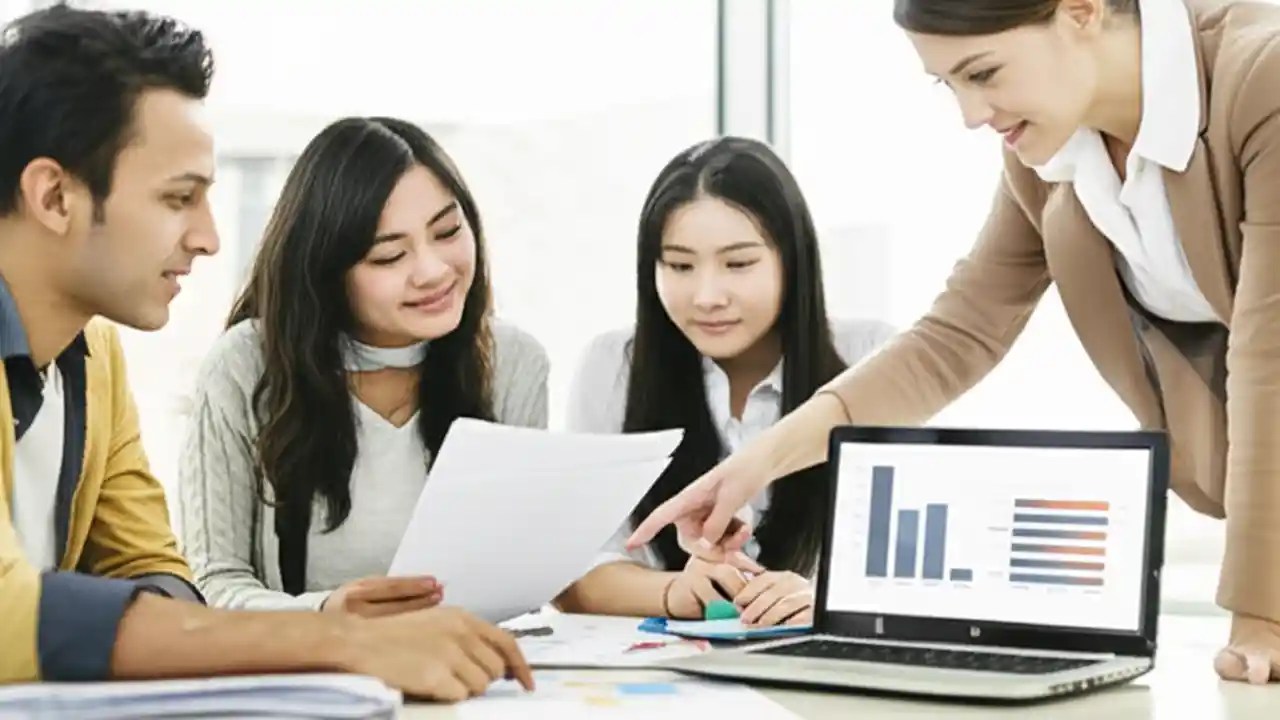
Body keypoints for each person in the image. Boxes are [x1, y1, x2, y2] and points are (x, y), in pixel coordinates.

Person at [627, 0, 1280, 684]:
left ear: (1083, 10)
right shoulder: (1053, 154)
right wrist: (753, 467)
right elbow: (956, 335)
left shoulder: (1258, 78)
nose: (973, 114)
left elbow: (1268, 359)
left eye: (985, 72)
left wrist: (1259, 613)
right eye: (950, 85)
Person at [0, 5, 533, 700]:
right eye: (178, 198)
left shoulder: (94, 355)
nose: (209, 238)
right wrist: (339, 640)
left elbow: (147, 567)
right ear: (54, 195)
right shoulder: (239, 364)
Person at [178, 116, 549, 614]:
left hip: (465, 668)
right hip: (305, 673)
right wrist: (329, 615)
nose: (434, 271)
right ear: (326, 272)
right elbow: (214, 583)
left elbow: (519, 573)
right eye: (390, 256)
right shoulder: (245, 366)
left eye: (448, 231)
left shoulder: (512, 364)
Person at [555, 137, 893, 626]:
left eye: (738, 264)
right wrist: (676, 591)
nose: (707, 295)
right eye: (680, 266)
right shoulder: (613, 366)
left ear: (792, 261)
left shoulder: (871, 358)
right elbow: (575, 573)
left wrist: (820, 600)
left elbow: (907, 569)